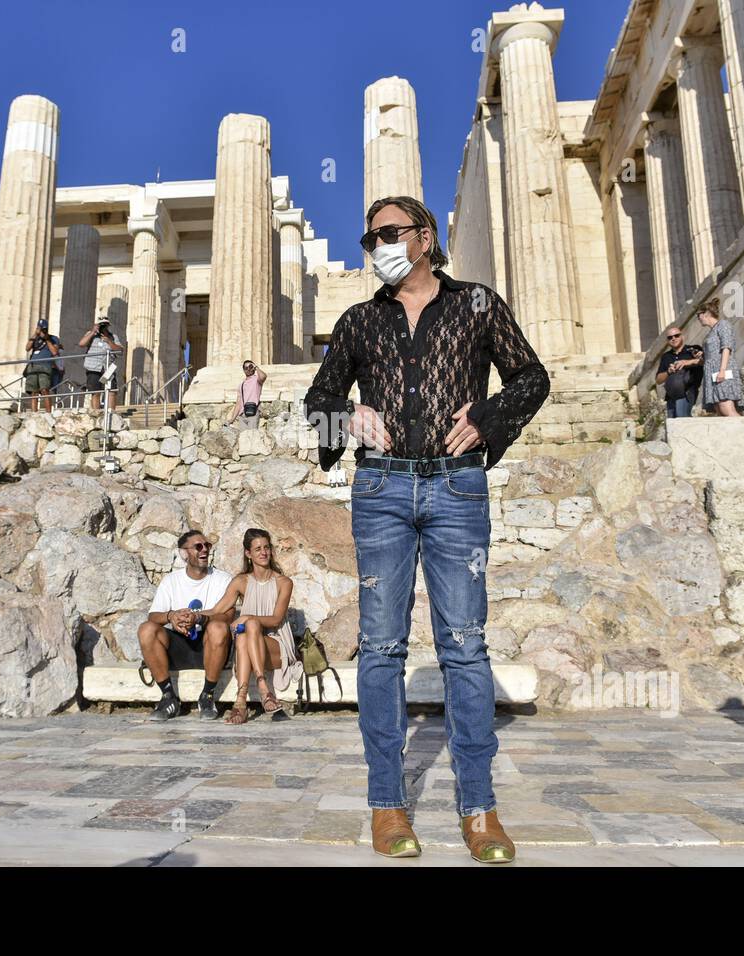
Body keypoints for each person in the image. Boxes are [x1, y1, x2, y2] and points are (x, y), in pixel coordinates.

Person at [304, 195, 550, 863]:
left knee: (465, 647)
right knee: (381, 648)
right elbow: (318, 400)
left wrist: (492, 420)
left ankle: (480, 809)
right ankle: (387, 803)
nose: (377, 245)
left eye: (388, 233)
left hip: (457, 484)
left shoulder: (476, 304)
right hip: (380, 485)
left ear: (424, 236)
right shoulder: (358, 320)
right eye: (369, 237)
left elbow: (532, 376)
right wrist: (346, 416)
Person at [196, 528, 301, 725]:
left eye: (267, 548)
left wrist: (246, 618)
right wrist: (192, 616)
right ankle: (246, 698)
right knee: (245, 633)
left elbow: (276, 619)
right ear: (248, 554)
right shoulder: (241, 581)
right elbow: (217, 610)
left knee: (249, 624)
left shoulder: (283, 582)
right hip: (250, 642)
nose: (264, 553)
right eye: (258, 549)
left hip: (277, 644)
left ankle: (249, 697)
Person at [136, 530, 235, 721]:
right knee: (146, 630)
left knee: (218, 628)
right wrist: (171, 616)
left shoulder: (222, 579)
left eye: (207, 545)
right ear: (184, 553)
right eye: (198, 546)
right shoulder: (171, 580)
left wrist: (198, 618)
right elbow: (153, 616)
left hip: (211, 646)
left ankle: (207, 695)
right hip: (180, 645)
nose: (204, 549)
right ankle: (168, 697)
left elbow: (228, 615)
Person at [697, 298, 742, 416]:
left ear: (706, 314)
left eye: (699, 315)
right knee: (719, 410)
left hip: (722, 369)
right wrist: (703, 355)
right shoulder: (711, 332)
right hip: (712, 372)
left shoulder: (723, 325)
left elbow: (726, 347)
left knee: (726, 407)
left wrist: (722, 370)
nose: (698, 318)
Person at [655, 325, 703, 419]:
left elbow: (704, 361)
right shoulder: (666, 356)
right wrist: (668, 372)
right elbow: (658, 380)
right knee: (673, 425)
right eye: (670, 337)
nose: (673, 338)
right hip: (670, 396)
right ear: (667, 341)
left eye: (676, 335)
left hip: (686, 393)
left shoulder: (693, 350)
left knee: (682, 420)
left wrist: (686, 362)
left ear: (682, 336)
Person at [78, 315, 124, 411]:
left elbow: (120, 351)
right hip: (93, 367)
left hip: (108, 368)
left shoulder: (113, 337)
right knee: (95, 391)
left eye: (105, 325)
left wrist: (109, 342)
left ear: (108, 326)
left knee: (112, 390)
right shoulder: (91, 334)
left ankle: (111, 412)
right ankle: (97, 412)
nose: (103, 327)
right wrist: (93, 332)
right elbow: (81, 344)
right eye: (101, 325)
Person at [24, 319, 60, 413]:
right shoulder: (34, 338)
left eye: (44, 329)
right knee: (33, 391)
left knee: (44, 390)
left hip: (45, 366)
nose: (43, 330)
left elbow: (55, 352)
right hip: (32, 366)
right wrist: (35, 334)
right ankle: (34, 413)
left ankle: (48, 412)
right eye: (41, 328)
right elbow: (27, 348)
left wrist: (47, 339)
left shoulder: (53, 338)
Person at [224, 360, 265, 428]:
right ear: (243, 370)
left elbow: (263, 376)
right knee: (243, 437)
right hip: (242, 415)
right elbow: (238, 403)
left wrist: (256, 367)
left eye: (250, 366)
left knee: (252, 437)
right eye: (246, 368)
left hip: (253, 413)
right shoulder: (241, 385)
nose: (248, 369)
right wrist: (233, 419)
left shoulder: (257, 380)